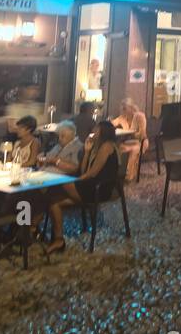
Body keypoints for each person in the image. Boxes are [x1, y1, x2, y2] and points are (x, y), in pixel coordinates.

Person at [44, 120, 120, 254]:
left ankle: (27, 222)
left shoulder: (107, 146)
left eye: (96, 130)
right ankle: (58, 240)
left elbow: (93, 173)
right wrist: (86, 151)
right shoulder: (96, 146)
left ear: (103, 132)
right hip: (89, 185)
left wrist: (77, 180)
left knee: (61, 182)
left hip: (99, 189)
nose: (93, 132)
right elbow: (84, 170)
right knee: (53, 201)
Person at [111, 98, 148, 182]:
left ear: (131, 107)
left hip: (141, 142)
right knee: (118, 147)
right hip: (129, 141)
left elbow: (142, 133)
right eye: (122, 108)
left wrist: (132, 133)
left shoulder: (139, 116)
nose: (123, 111)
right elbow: (112, 123)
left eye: (124, 108)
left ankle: (129, 175)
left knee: (133, 150)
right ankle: (119, 172)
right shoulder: (122, 118)